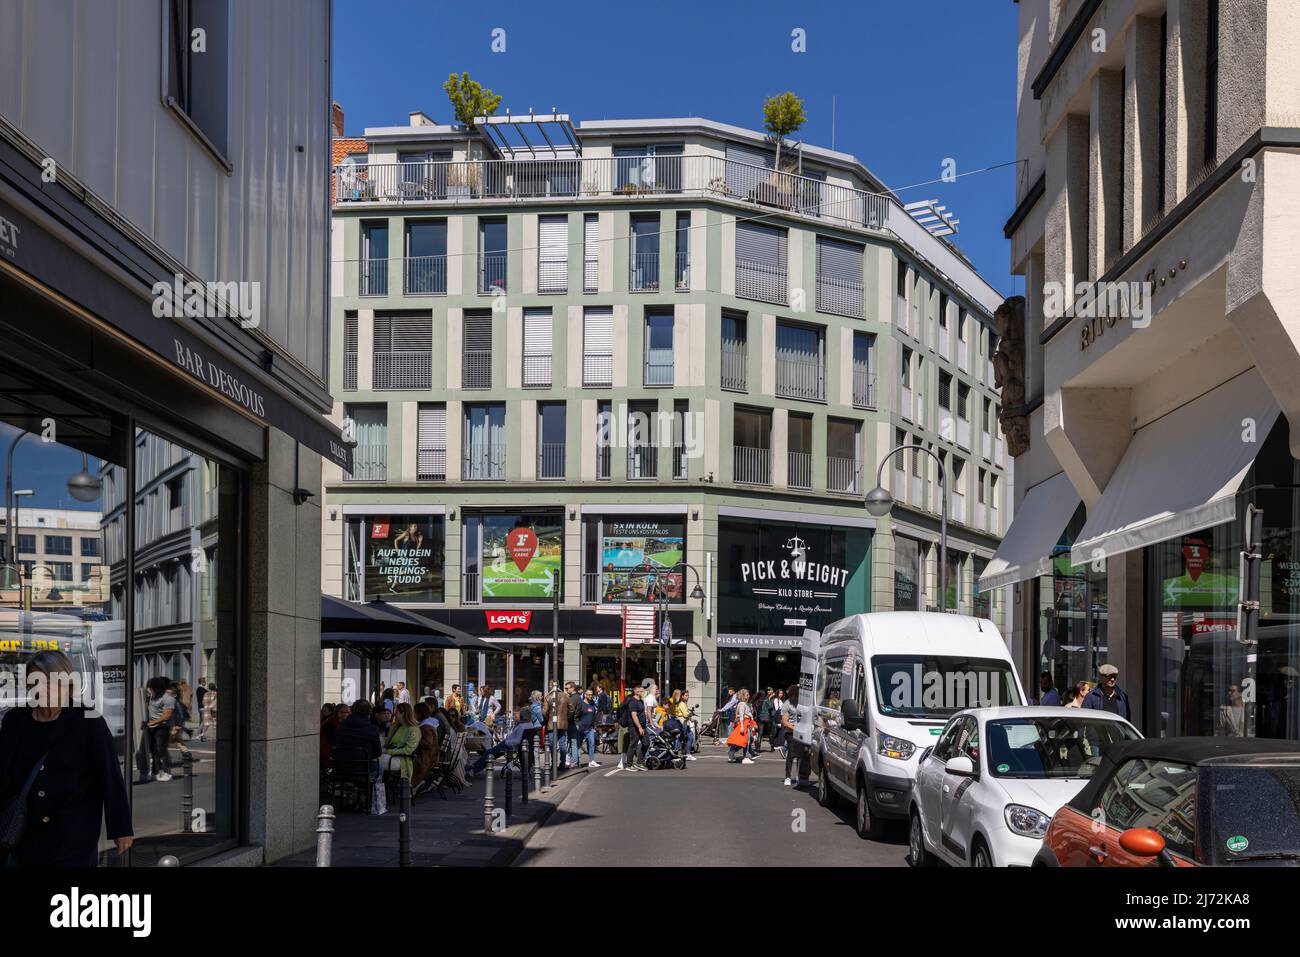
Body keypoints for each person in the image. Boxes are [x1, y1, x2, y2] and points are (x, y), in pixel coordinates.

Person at [0, 651, 133, 866]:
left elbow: (110, 777)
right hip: (24, 832)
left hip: (73, 832)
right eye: (36, 681)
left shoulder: (88, 721)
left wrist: (121, 828)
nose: (43, 688)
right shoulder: (15, 720)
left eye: (51, 681)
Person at [144, 677, 176, 781]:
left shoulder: (168, 698)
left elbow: (166, 716)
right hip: (152, 727)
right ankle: (156, 772)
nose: (150, 689)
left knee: (161, 749)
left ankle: (166, 772)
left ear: (157, 688)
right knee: (153, 751)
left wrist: (152, 723)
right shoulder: (153, 696)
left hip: (162, 727)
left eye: (152, 687)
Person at [780, 684, 810, 787]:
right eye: (797, 693)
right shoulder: (787, 704)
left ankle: (800, 776)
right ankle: (788, 777)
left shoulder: (801, 703)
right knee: (791, 754)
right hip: (791, 732)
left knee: (802, 755)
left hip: (802, 732)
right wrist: (796, 728)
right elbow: (785, 722)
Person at [383, 703, 421, 784]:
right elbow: (389, 742)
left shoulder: (414, 730)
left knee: (375, 762)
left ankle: (377, 788)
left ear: (403, 713)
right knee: (373, 760)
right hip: (391, 756)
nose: (394, 714)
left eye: (396, 711)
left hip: (402, 760)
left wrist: (390, 752)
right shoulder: (396, 727)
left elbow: (409, 750)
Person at [543, 680, 574, 771]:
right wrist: (567, 718)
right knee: (562, 744)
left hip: (551, 724)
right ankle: (563, 764)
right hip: (563, 724)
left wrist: (547, 720)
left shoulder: (548, 697)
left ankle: (553, 764)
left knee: (552, 745)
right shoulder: (566, 696)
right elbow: (572, 709)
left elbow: (544, 712)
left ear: (551, 686)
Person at [411, 702, 442, 790]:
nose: (413, 715)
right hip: (431, 757)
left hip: (426, 759)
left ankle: (412, 786)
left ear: (420, 713)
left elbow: (428, 744)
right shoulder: (430, 723)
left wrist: (416, 739)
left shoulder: (425, 727)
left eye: (414, 712)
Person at [618, 685, 647, 771]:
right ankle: (629, 764)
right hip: (634, 726)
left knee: (646, 743)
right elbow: (634, 716)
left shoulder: (641, 701)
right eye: (641, 691)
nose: (643, 693)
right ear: (636, 692)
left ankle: (639, 762)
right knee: (633, 744)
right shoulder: (633, 702)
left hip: (643, 726)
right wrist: (639, 727)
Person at [727, 689, 756, 764]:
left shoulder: (745, 703)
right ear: (743, 696)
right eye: (747, 695)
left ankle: (732, 752)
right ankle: (745, 757)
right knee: (746, 741)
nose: (749, 696)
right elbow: (741, 716)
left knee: (747, 740)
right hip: (744, 724)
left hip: (746, 724)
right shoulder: (742, 704)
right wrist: (742, 726)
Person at [575, 687, 600, 768]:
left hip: (590, 729)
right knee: (579, 745)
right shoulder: (581, 704)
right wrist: (578, 725)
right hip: (581, 729)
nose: (590, 696)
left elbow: (594, 717)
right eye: (588, 695)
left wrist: (594, 726)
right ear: (585, 695)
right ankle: (577, 761)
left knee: (592, 744)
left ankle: (591, 761)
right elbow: (576, 716)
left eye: (591, 695)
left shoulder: (592, 704)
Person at [675, 689, 697, 760]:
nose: (688, 697)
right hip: (682, 723)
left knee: (690, 737)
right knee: (681, 738)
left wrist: (690, 718)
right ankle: (676, 753)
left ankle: (687, 754)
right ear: (682, 696)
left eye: (688, 695)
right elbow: (685, 715)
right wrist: (690, 714)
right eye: (686, 695)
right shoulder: (682, 704)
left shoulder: (683, 703)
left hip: (685, 723)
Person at [320, 703, 341, 767]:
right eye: (322, 711)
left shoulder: (328, 723)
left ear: (330, 711)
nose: (322, 713)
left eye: (324, 711)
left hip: (327, 754)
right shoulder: (331, 721)